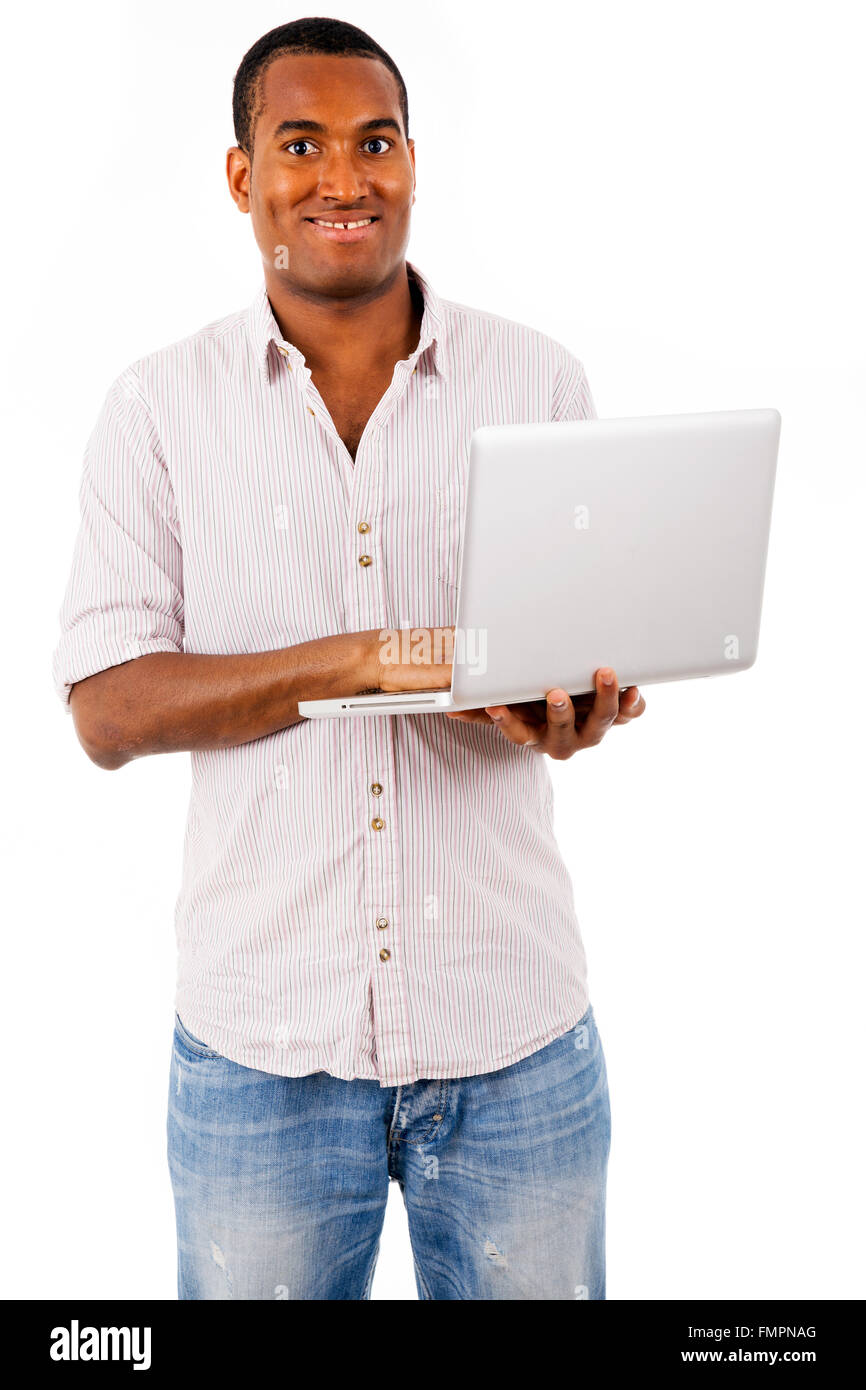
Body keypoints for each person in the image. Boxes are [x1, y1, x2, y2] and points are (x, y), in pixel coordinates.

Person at [52, 16, 645, 1301]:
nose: (341, 179)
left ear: (413, 163)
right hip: (259, 1047)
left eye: (373, 143)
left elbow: (567, 651)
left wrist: (566, 710)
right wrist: (365, 659)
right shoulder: (156, 409)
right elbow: (106, 706)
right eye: (300, 143)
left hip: (514, 1032)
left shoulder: (538, 379)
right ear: (239, 173)